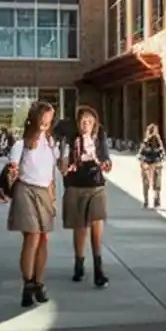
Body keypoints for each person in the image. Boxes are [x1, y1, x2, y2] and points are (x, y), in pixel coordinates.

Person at [4, 101, 59, 308]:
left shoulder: (51, 143)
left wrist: (53, 199)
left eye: (49, 119)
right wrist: (11, 174)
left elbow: (52, 174)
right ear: (35, 118)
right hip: (25, 190)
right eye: (43, 119)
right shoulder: (22, 143)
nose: (46, 123)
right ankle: (27, 283)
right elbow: (12, 169)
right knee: (32, 236)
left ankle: (39, 282)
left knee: (43, 239)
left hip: (44, 192)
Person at [63, 106, 112, 287]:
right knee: (80, 227)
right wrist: (67, 166)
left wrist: (105, 163)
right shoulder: (70, 139)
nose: (86, 125)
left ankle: (98, 268)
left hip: (96, 185)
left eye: (90, 122)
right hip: (76, 185)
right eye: (83, 121)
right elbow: (63, 160)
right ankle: (79, 263)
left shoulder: (99, 137)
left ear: (95, 123)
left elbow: (106, 157)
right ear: (78, 123)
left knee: (97, 223)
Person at [138, 123, 166, 209]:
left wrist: (160, 162)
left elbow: (162, 153)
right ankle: (148, 200)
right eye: (155, 131)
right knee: (148, 183)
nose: (156, 133)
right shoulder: (147, 140)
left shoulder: (157, 140)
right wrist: (144, 164)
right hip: (148, 164)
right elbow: (141, 153)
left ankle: (155, 200)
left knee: (156, 183)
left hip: (155, 164)